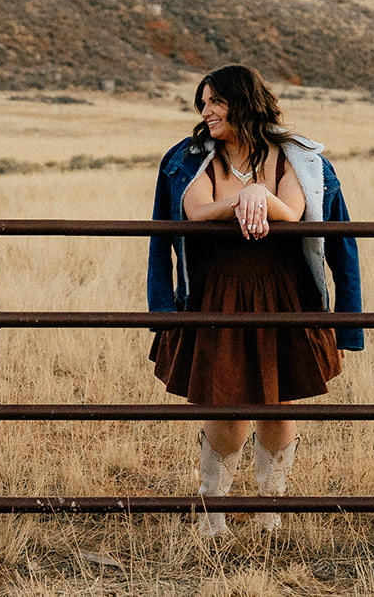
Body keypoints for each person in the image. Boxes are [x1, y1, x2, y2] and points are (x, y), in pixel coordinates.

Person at [147, 64, 362, 539]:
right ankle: (212, 515)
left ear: (242, 101)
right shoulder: (187, 159)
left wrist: (261, 193)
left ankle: (270, 511)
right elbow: (189, 215)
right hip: (216, 296)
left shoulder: (301, 160)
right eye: (201, 104)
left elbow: (330, 235)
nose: (205, 113)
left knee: (280, 404)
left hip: (286, 296)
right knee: (224, 403)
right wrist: (241, 202)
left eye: (214, 102)